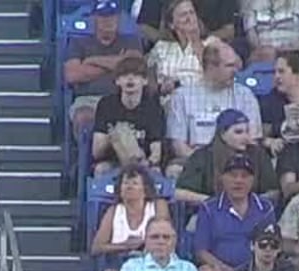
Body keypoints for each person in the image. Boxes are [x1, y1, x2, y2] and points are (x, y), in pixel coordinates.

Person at [190, 153, 276, 271]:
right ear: (222, 178)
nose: (238, 181)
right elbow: (201, 251)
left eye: (244, 176)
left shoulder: (265, 207)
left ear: (253, 180)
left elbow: (271, 245)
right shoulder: (209, 208)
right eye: (233, 175)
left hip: (257, 269)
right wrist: (228, 270)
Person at [164, 39, 259, 162]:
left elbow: (253, 141)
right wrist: (205, 163)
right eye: (229, 66)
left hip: (236, 163)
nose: (235, 71)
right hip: (195, 162)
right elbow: (179, 146)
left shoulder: (245, 96)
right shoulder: (182, 96)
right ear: (211, 67)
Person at [65, 0, 147, 134]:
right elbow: (72, 75)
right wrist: (118, 63)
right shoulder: (78, 41)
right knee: (83, 118)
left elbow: (135, 66)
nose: (108, 21)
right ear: (94, 19)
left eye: (112, 16)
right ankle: (85, 155)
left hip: (123, 98)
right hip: (89, 100)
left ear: (118, 18)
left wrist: (91, 61)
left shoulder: (131, 41)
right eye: (103, 17)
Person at [90, 164, 170, 271]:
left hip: (152, 263)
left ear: (145, 189)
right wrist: (125, 246)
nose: (129, 186)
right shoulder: (113, 212)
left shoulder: (158, 206)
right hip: (119, 266)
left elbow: (166, 237)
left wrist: (143, 244)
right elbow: (96, 247)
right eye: (125, 183)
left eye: (134, 183)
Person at [173, 109, 278, 207]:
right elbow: (180, 193)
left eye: (247, 131)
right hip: (209, 213)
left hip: (251, 213)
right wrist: (216, 204)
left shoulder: (259, 155)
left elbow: (273, 192)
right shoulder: (203, 156)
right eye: (238, 132)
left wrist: (249, 204)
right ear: (222, 134)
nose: (246, 137)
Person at [90, 56, 165, 176]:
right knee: (100, 169)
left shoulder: (154, 108)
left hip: (143, 162)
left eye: (136, 75)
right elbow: (96, 152)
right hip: (113, 162)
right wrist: (116, 138)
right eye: (124, 75)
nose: (130, 79)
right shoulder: (106, 105)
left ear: (145, 81)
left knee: (156, 172)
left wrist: (148, 163)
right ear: (117, 81)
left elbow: (156, 152)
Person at [146, 0, 212, 101]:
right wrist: (160, 88)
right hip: (168, 105)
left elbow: (217, 73)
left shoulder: (211, 44)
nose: (189, 18)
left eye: (192, 13)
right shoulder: (160, 48)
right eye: (183, 15)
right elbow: (146, 73)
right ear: (172, 24)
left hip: (200, 104)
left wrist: (196, 42)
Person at [241, 0, 299, 64]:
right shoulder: (250, 2)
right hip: (264, 54)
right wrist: (261, 49)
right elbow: (251, 34)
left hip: (292, 53)